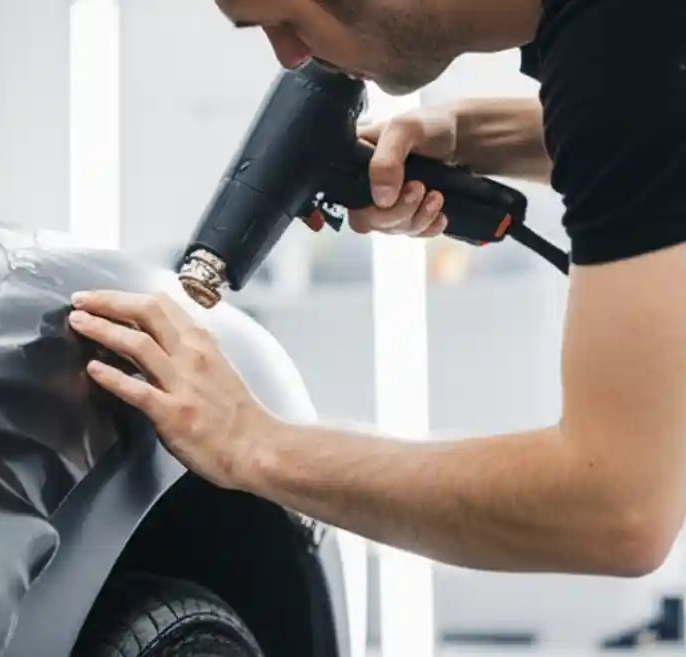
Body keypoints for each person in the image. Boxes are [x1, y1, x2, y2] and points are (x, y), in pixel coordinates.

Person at [68, 0, 686, 579]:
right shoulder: (625, 42)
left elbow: (617, 506)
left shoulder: (627, 33)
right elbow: (643, 112)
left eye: (283, 17)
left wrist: (257, 446)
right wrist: (464, 135)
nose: (287, 56)